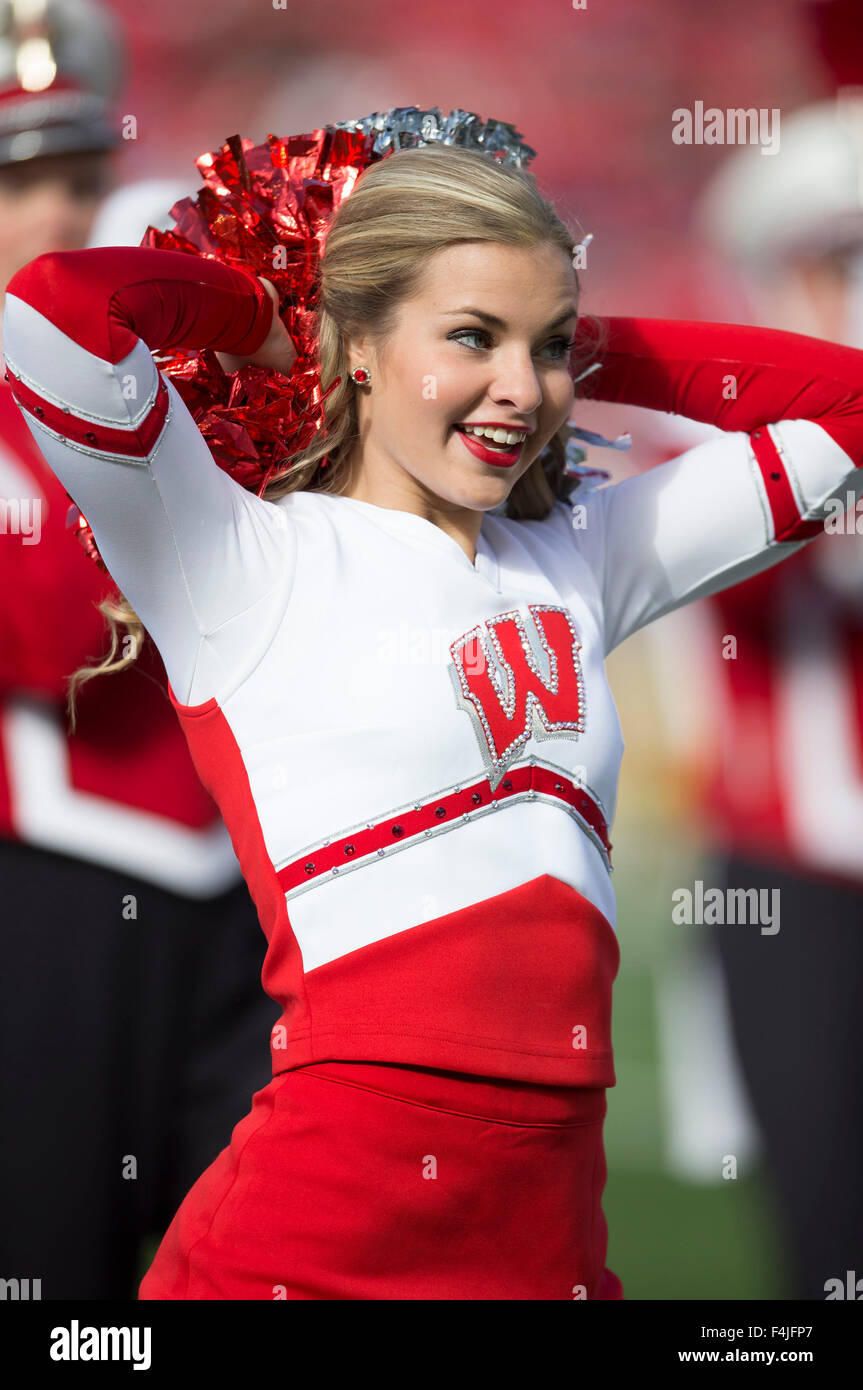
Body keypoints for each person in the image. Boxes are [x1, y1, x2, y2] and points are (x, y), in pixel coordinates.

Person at [4, 129, 863, 1301]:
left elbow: (851, 413)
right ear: (355, 344)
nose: (519, 387)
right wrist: (279, 313)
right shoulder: (236, 555)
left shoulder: (581, 556)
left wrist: (544, 333)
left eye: (546, 346)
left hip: (549, 1234)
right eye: (468, 337)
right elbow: (57, 311)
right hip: (318, 1228)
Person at [0, 0, 276, 1300]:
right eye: (17, 181)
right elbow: (55, 633)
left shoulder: (155, 365)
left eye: (82, 178)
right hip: (41, 899)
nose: (60, 213)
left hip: (245, 898)